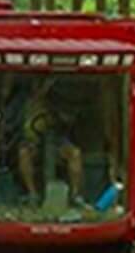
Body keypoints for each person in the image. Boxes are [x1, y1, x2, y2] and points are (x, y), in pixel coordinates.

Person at [15, 76, 84, 206]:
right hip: (35, 143)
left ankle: (75, 196)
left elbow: (68, 122)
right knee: (23, 153)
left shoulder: (60, 104)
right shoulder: (28, 105)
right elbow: (26, 129)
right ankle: (32, 194)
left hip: (58, 143)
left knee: (75, 154)